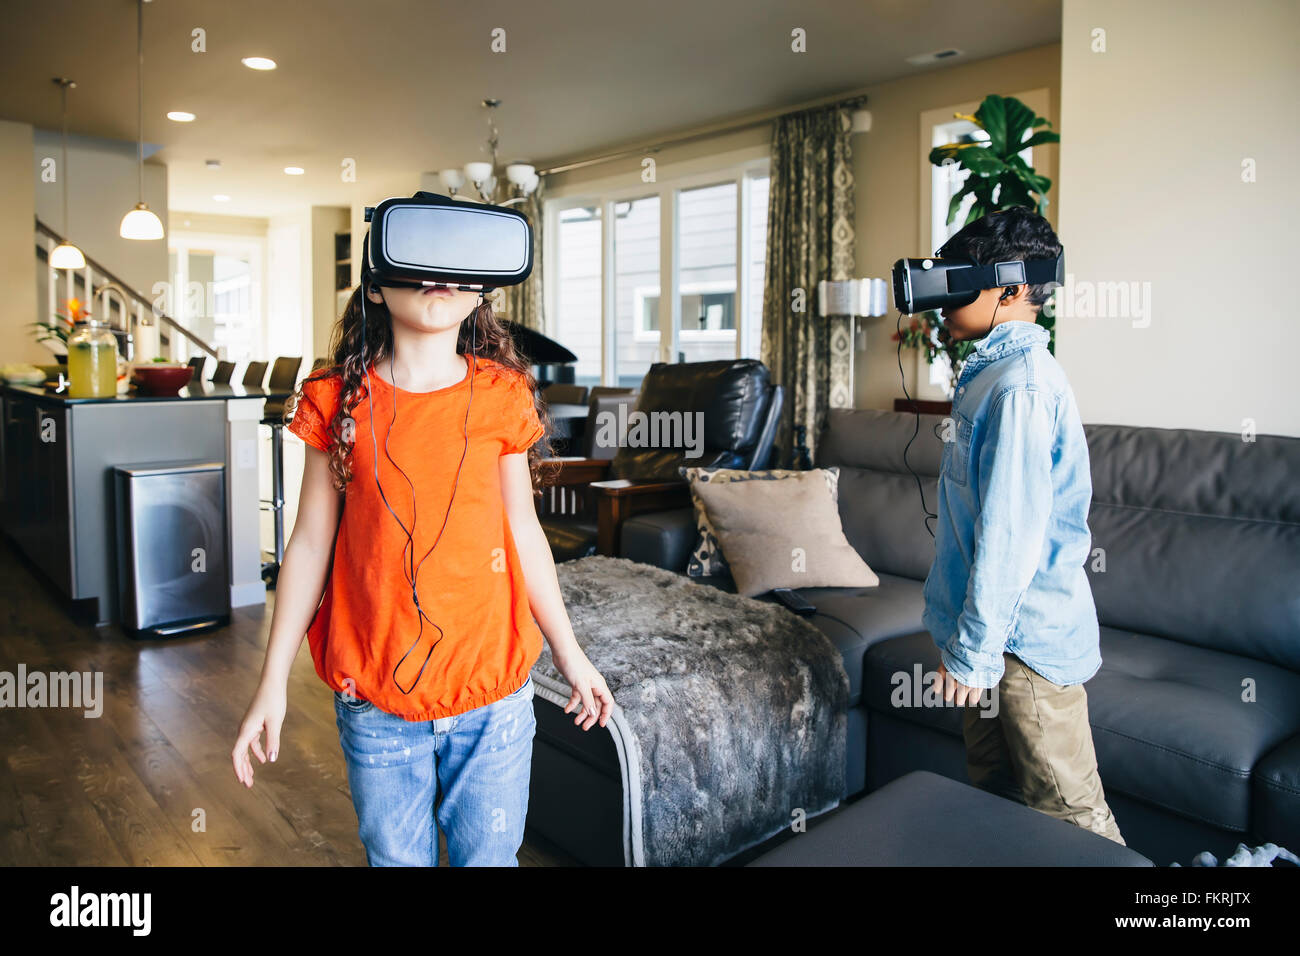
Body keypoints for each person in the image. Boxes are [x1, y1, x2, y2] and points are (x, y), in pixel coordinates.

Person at [231, 262, 613, 866]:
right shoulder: (336, 398)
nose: (440, 279)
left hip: (493, 697)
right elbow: (308, 542)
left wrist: (572, 655)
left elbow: (523, 530)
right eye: (417, 266)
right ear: (376, 286)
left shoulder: (502, 391)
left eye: (457, 271)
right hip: (376, 697)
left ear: (479, 290)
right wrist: (272, 681)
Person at [922, 207, 1124, 845]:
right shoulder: (989, 376)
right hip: (984, 641)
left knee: (1069, 816)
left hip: (1022, 648)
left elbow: (1010, 539)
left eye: (963, 280)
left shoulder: (1022, 389)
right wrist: (969, 648)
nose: (945, 298)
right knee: (996, 801)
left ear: (1009, 290)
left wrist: (974, 655)